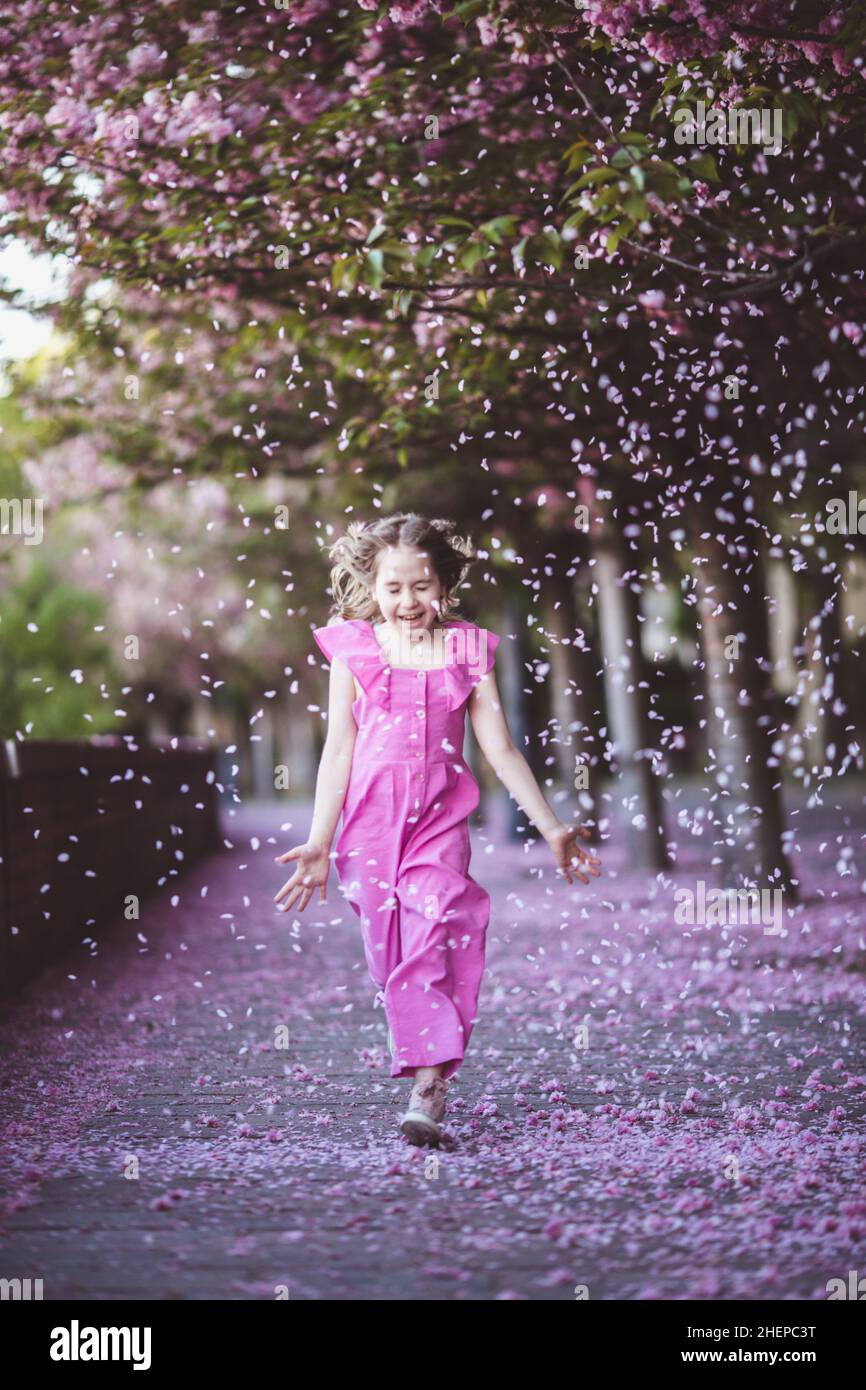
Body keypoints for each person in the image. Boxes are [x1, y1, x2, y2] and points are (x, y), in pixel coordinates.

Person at [273, 513, 601, 1147]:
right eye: (394, 588)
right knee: (389, 954)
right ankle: (425, 1061)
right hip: (367, 829)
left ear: (443, 584)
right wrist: (318, 839)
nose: (407, 602)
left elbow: (500, 750)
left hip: (439, 824)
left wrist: (552, 827)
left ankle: (429, 1089)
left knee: (435, 930)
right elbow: (338, 749)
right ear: (373, 585)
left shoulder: (467, 651)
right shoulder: (353, 650)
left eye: (421, 586)